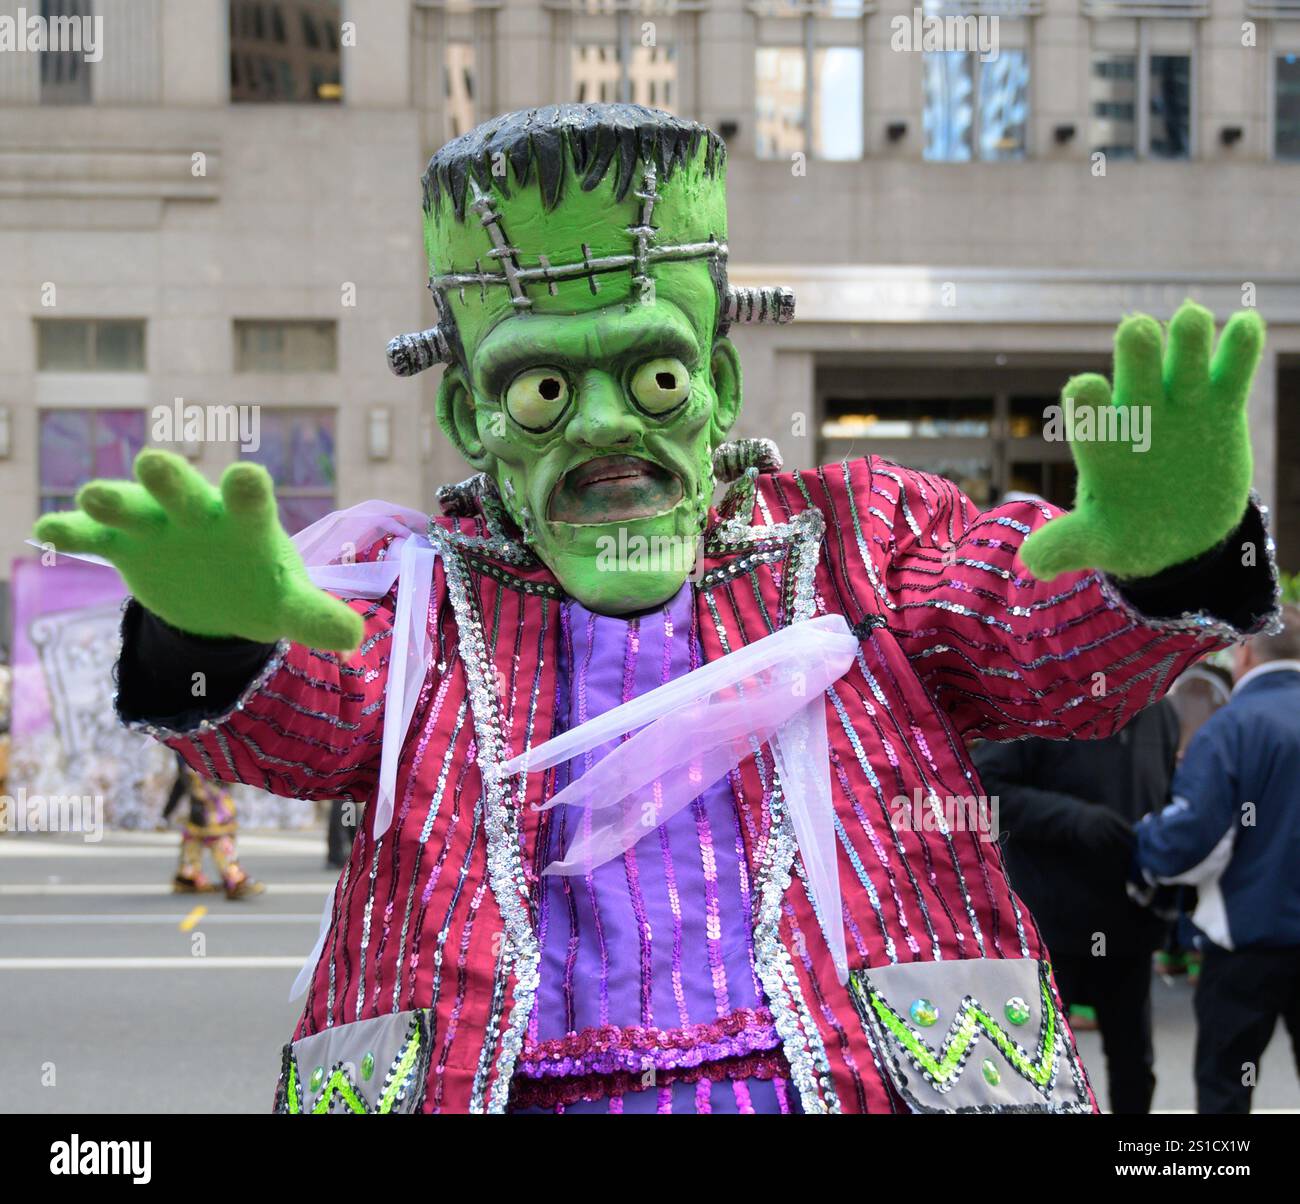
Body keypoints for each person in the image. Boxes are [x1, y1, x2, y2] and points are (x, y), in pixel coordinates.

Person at [37, 104, 1278, 1115]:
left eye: (655, 372)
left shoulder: (864, 538)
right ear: (469, 415)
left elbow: (1032, 642)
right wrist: (208, 637)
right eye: (539, 389)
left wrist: (1162, 557)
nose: (603, 426)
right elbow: (292, 725)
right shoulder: (422, 592)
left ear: (721, 382)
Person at [972, 698, 1180, 1113]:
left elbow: (1168, 791)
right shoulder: (1043, 702)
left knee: (1133, 1065)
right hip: (1051, 923)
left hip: (1129, 921)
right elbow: (986, 788)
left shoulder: (1158, 708)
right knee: (1038, 1063)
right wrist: (1073, 819)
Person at [1135, 606, 1300, 1113]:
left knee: (1225, 1089)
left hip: (1246, 945)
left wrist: (1143, 839)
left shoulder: (1232, 728)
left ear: (1245, 652)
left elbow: (1192, 840)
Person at [162, 751, 264, 899]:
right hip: (212, 811)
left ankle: (189, 875)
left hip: (206, 809)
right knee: (218, 843)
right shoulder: (204, 746)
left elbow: (181, 783)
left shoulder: (185, 749)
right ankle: (232, 878)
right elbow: (183, 783)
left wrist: (167, 812)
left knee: (195, 840)